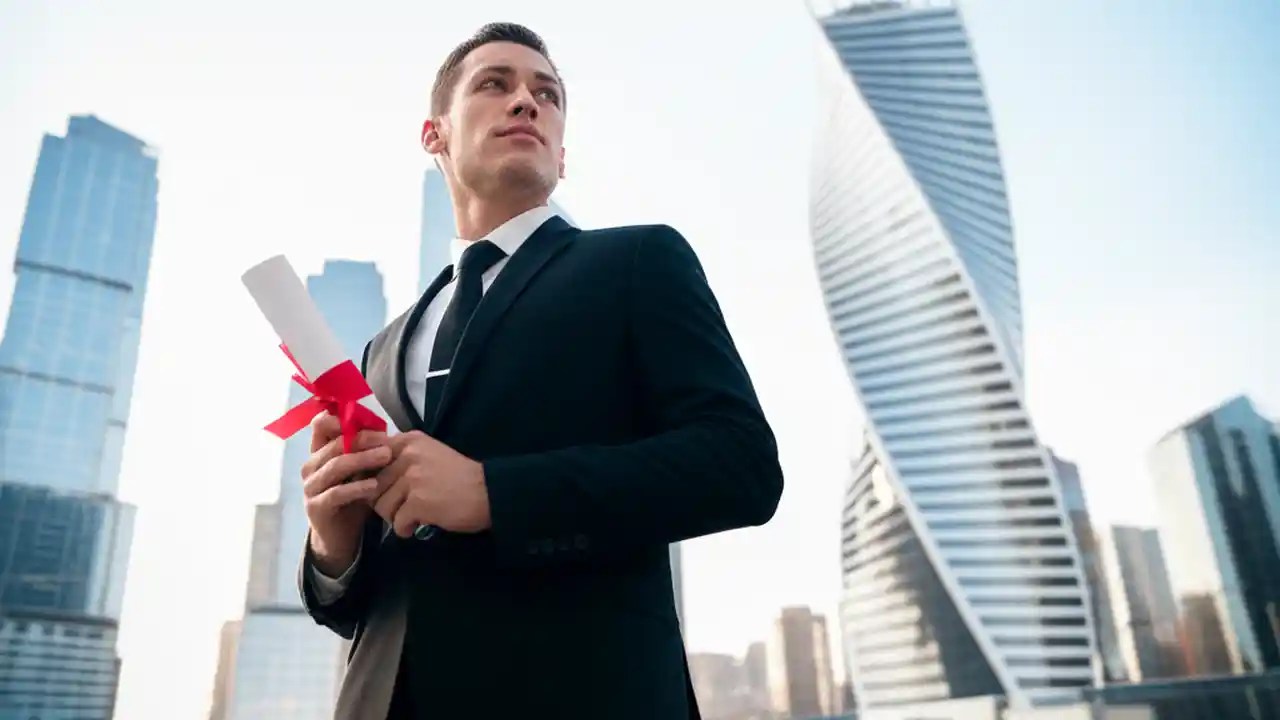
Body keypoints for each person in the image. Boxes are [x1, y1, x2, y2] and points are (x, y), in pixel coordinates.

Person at [297, 21, 783, 720]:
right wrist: (334, 545)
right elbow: (366, 603)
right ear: (434, 134)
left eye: (547, 94)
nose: (527, 101)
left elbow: (741, 467)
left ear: (562, 154)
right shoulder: (382, 349)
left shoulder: (639, 262)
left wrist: (493, 493)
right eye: (494, 84)